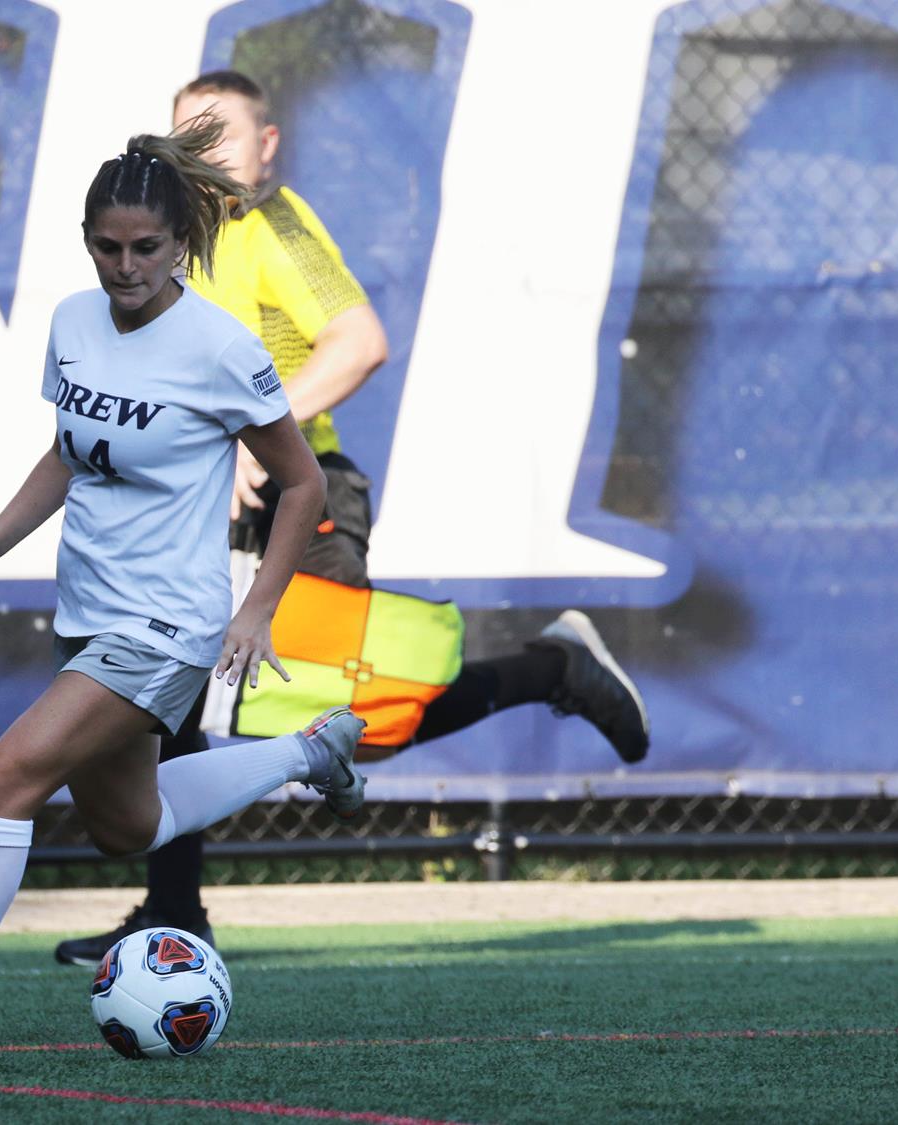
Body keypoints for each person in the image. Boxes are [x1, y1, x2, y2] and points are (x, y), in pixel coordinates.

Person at [52, 71, 651, 966]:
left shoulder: (273, 226)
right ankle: (172, 916)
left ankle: (550, 667)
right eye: (186, 136)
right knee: (166, 700)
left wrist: (258, 443)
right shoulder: (175, 242)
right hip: (207, 496)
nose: (202, 154)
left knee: (346, 707)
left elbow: (359, 341)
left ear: (268, 146)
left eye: (221, 136)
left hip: (301, 492)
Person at [0, 116, 371, 1052]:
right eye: (107, 247)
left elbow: (304, 482)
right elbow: (69, 454)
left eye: (146, 248)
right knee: (128, 825)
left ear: (182, 244)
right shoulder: (72, 322)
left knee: (6, 779)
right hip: (87, 609)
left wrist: (256, 609)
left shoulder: (220, 348)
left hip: (169, 623)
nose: (125, 267)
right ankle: (309, 755)